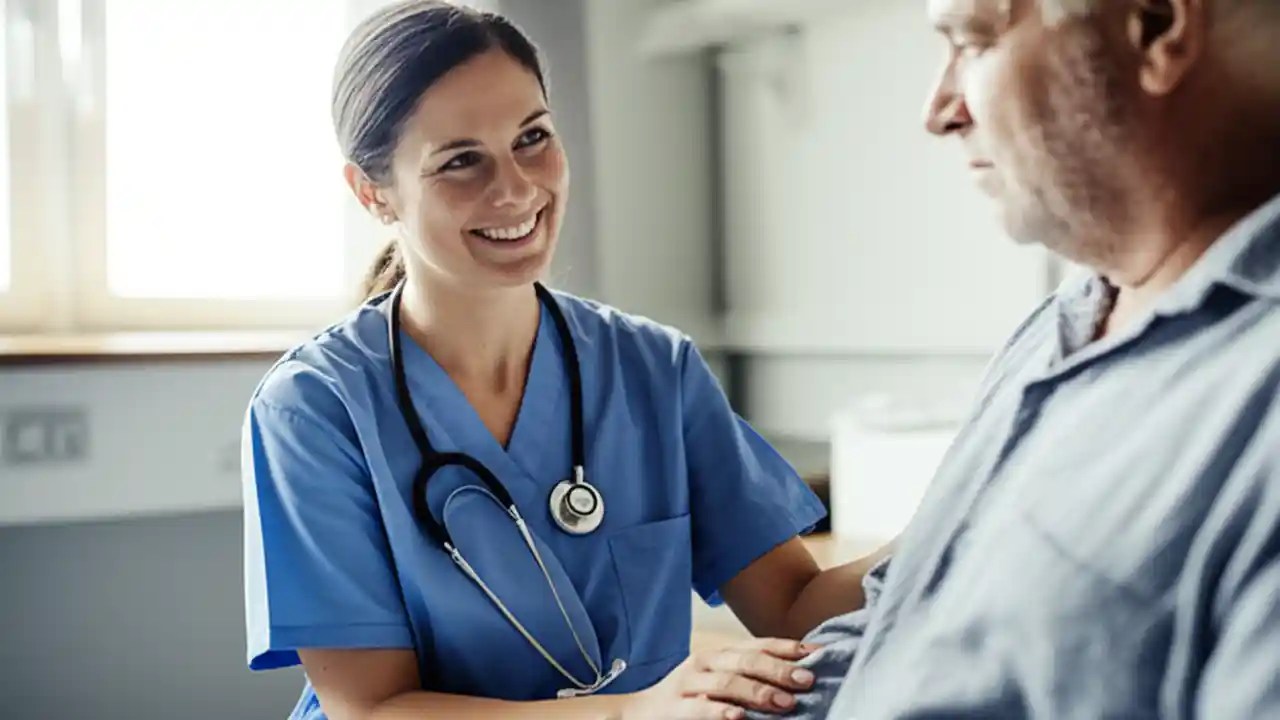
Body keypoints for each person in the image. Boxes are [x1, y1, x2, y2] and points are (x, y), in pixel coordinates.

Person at [240, 3, 890, 719]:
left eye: (533, 138)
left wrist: (970, 503)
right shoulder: (315, 407)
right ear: (373, 193)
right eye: (460, 161)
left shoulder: (654, 370)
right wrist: (628, 712)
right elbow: (373, 709)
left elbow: (795, 607)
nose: (516, 188)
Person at [743, 0, 1280, 718]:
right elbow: (911, 627)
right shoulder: (1059, 328)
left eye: (973, 42)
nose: (939, 111)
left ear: (1155, 27)